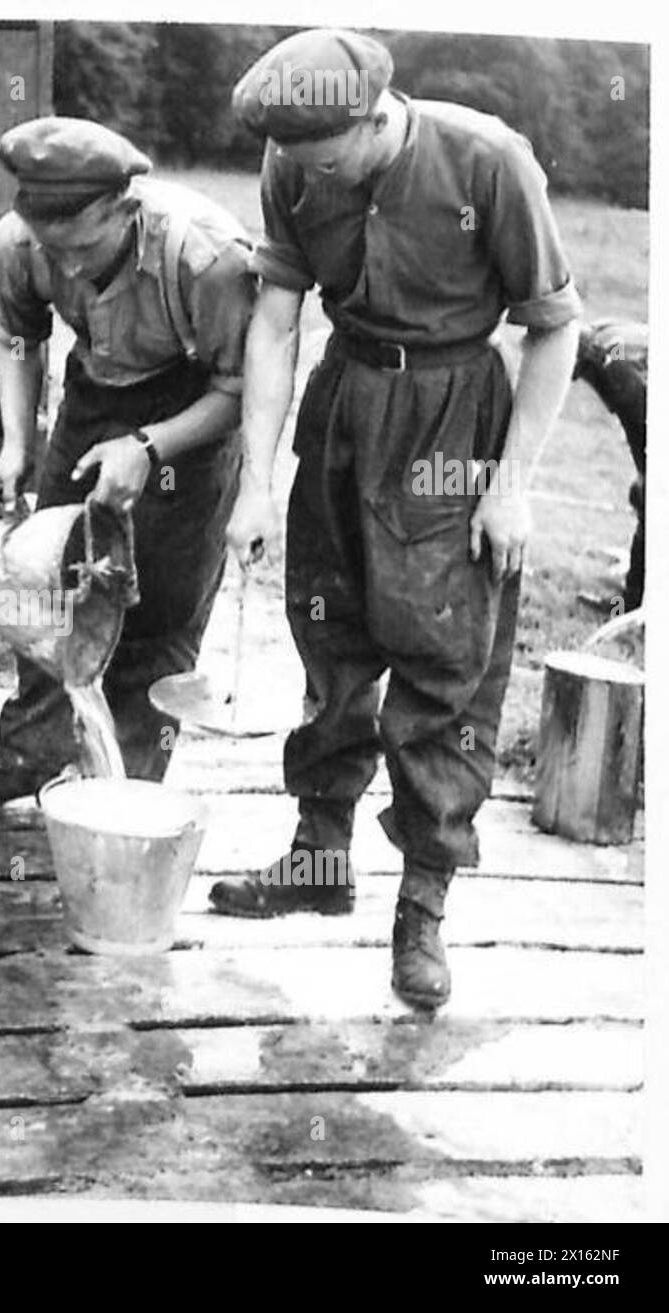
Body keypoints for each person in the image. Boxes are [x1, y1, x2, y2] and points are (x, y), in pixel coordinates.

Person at [216, 29, 582, 1011]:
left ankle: (422, 903)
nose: (308, 176)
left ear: (376, 118)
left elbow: (554, 327)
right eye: (297, 161)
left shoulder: (486, 161)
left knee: (442, 664)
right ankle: (317, 861)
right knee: (329, 641)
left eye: (325, 160)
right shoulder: (291, 159)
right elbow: (277, 313)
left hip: (454, 420)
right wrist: (254, 480)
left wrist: (508, 483)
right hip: (345, 408)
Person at [0, 117, 257, 814]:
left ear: (127, 208)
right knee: (49, 589)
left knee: (162, 609)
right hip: (92, 399)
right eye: (56, 250)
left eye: (86, 246)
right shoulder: (19, 243)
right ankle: (27, 753)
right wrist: (19, 444)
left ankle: (124, 793)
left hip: (190, 414)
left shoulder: (208, 259)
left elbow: (244, 391)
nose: (72, 266)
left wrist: (149, 449)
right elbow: (18, 338)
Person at [571, 319, 647, 610]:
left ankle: (633, 602)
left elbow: (637, 414)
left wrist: (644, 474)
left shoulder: (610, 368)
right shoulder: (607, 338)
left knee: (649, 499)